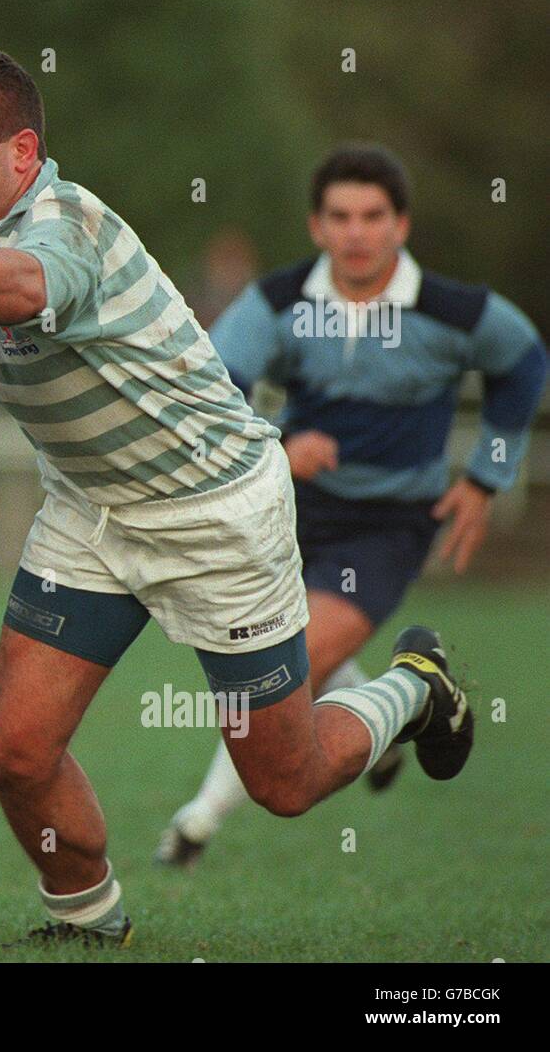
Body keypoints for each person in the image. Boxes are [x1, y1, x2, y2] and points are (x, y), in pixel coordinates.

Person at [0, 52, 473, 946]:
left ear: (23, 152)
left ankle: (416, 688)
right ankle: (89, 922)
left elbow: (29, 288)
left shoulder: (68, 220)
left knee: (283, 782)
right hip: (89, 513)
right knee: (13, 749)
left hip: (216, 512)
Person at [156, 143, 546, 865]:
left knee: (286, 668)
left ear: (401, 225)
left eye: (373, 216)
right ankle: (387, 722)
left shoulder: (453, 310)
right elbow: (210, 387)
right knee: (261, 654)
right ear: (316, 226)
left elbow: (524, 362)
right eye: (341, 216)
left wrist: (488, 476)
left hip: (389, 527)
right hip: (288, 510)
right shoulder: (279, 300)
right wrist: (278, 442)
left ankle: (196, 821)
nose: (357, 232)